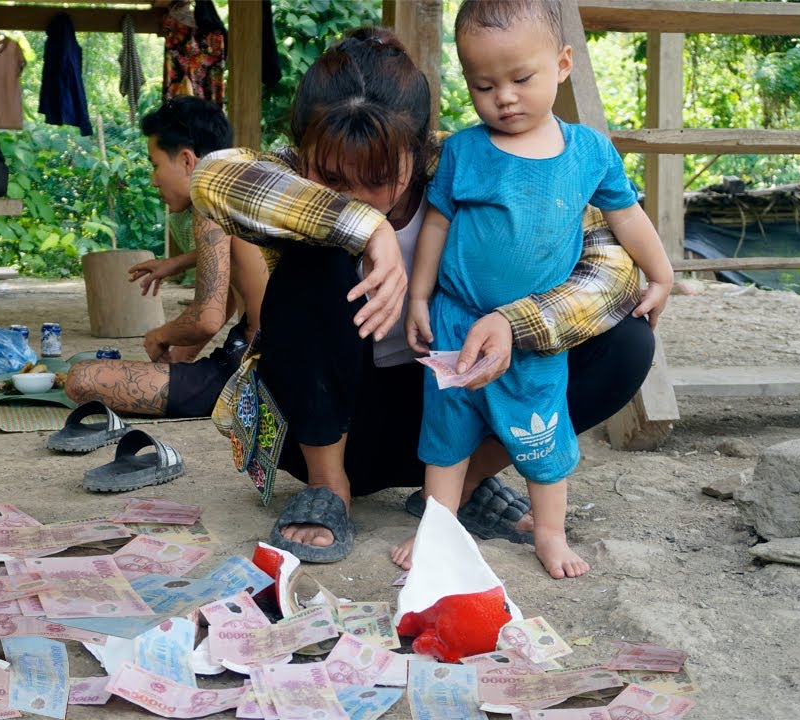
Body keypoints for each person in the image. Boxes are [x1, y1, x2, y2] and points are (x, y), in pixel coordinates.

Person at [191, 27, 656, 564]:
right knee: (316, 255)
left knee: (627, 345)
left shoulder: (475, 164)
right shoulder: (290, 171)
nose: (356, 191)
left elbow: (613, 267)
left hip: (456, 407)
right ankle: (328, 487)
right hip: (330, 423)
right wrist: (363, 226)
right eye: (333, 177)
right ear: (303, 151)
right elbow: (211, 177)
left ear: (421, 147)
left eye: (379, 177)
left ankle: (460, 488)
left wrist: (515, 322)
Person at [393, 0, 674, 579]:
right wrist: (418, 297)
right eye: (483, 85)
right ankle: (436, 529)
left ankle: (548, 533)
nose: (505, 97)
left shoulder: (589, 152)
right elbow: (438, 226)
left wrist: (662, 273)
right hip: (455, 320)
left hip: (536, 336)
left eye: (522, 79)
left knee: (542, 433)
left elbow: (626, 218)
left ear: (563, 64)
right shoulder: (465, 152)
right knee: (446, 429)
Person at [63, 96, 269, 417]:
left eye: (155, 164)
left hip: (262, 373)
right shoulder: (242, 183)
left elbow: (207, 318)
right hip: (273, 356)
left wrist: (159, 336)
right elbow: (229, 294)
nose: (153, 179)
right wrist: (181, 358)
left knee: (83, 378)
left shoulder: (209, 198)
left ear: (188, 160)